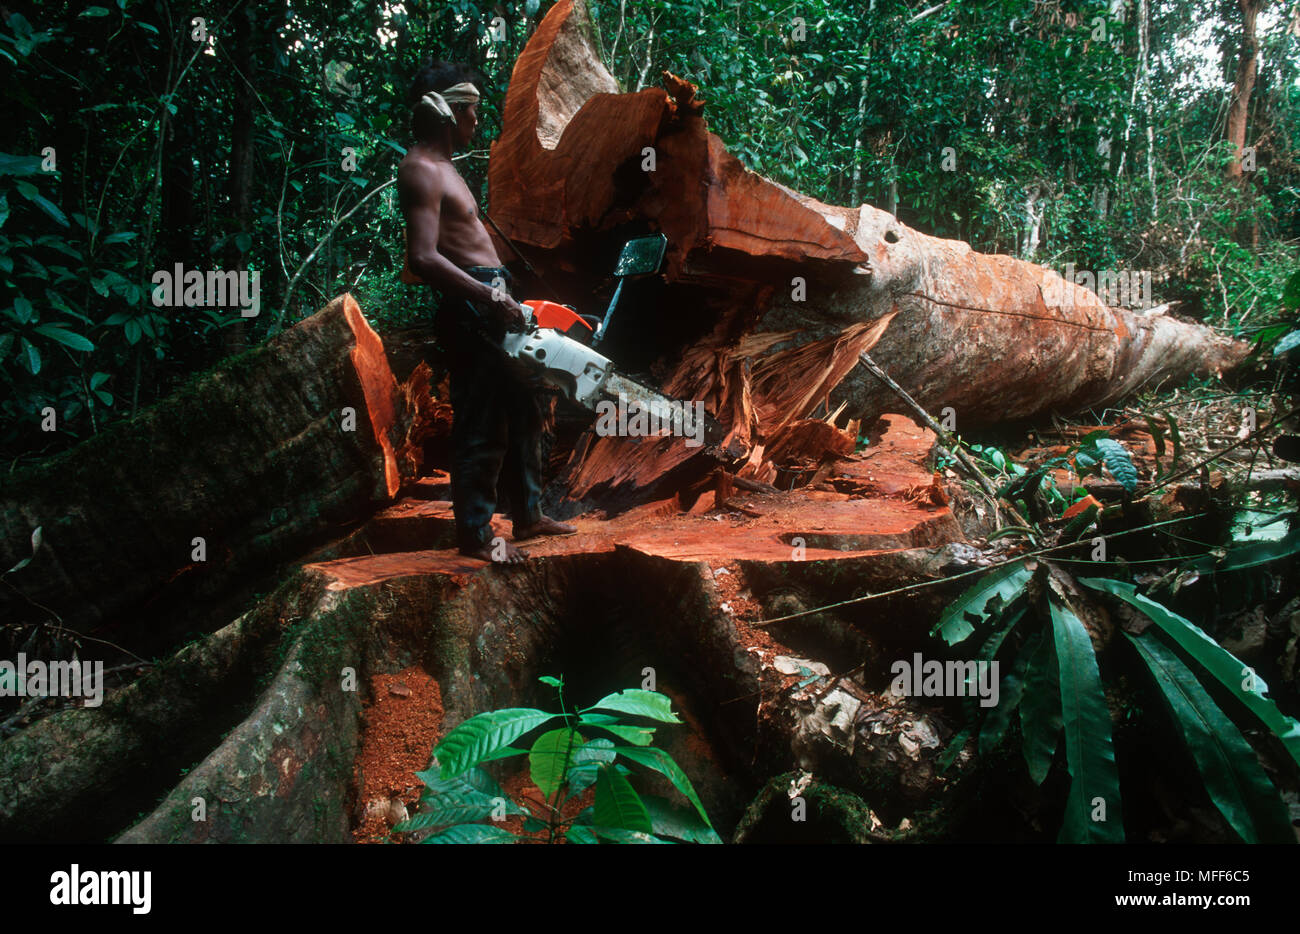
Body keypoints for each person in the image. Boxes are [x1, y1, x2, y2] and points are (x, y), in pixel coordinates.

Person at [397, 61, 575, 564]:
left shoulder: (447, 168)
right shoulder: (420, 170)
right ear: (448, 113)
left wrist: (505, 291)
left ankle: (530, 515)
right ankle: (476, 536)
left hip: (493, 300)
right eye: (471, 111)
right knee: (482, 421)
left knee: (524, 408)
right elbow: (423, 257)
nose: (478, 121)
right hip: (473, 308)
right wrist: (488, 295)